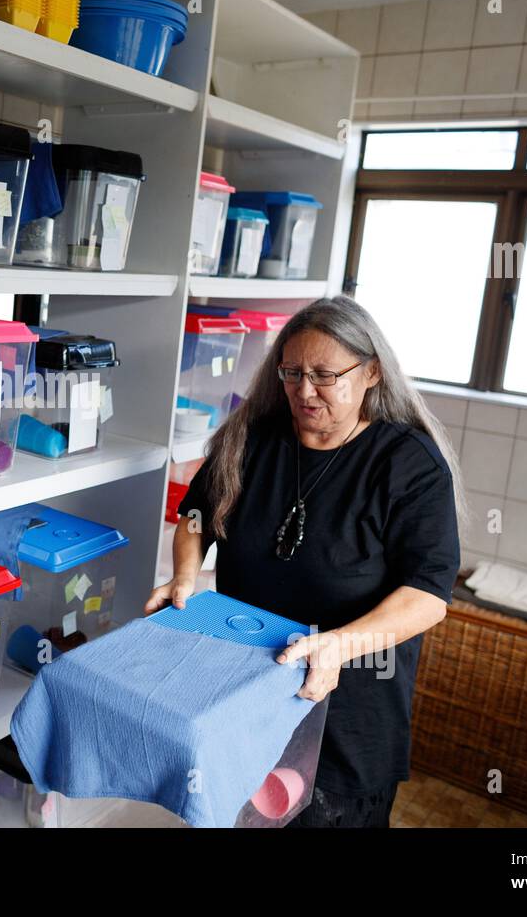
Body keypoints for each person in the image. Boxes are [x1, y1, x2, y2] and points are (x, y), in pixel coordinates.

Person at [148, 296, 463, 827]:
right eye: (292, 372)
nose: (304, 390)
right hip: (244, 689)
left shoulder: (407, 464)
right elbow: (197, 516)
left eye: (324, 375)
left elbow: (427, 595)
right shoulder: (251, 438)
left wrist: (340, 644)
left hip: (347, 709)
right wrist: (183, 576)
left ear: (371, 373)